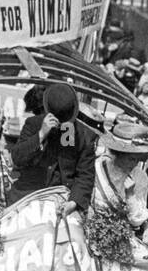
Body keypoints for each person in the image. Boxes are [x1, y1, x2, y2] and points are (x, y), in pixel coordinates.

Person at [11, 80, 98, 219]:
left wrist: (74, 202)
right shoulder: (33, 125)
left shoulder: (83, 136)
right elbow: (17, 158)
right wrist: (41, 134)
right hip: (29, 196)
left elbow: (85, 175)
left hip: (63, 200)